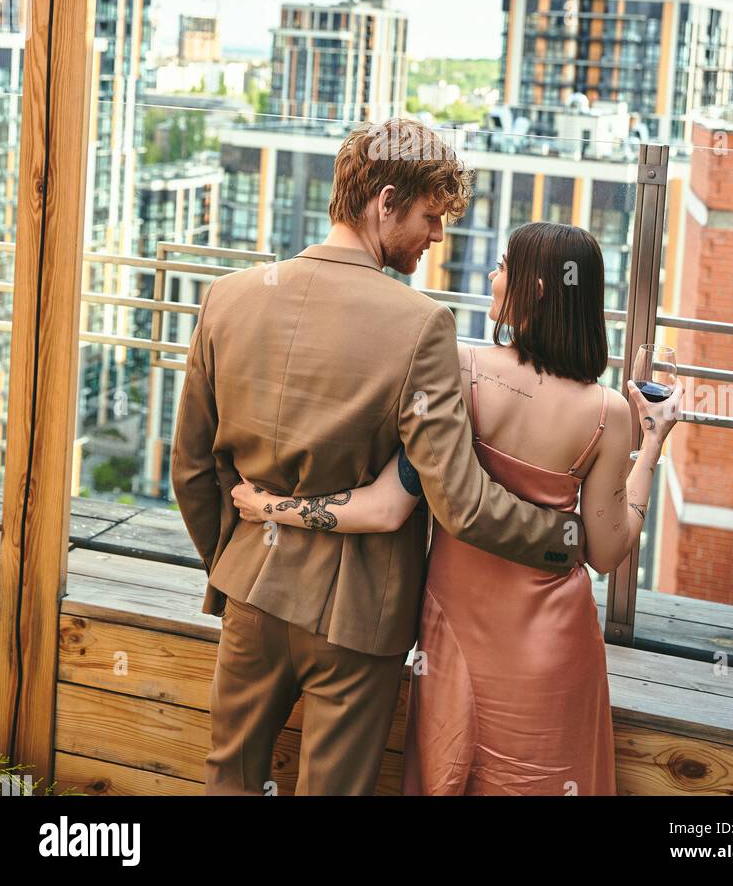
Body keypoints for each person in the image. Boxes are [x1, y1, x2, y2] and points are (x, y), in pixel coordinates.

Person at [171, 117, 588, 797]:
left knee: (228, 779)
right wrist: (567, 537)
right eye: (429, 216)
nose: (438, 237)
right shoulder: (421, 325)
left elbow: (191, 468)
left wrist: (235, 556)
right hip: (357, 616)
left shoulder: (228, 295)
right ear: (384, 200)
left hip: (250, 584)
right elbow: (461, 501)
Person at [233, 220, 682, 796]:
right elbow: (607, 550)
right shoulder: (606, 412)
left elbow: (388, 505)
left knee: (449, 774)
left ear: (536, 289)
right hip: (553, 643)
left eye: (502, 267)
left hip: (454, 633)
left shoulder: (460, 372)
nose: (493, 276)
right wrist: (651, 445)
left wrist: (273, 507)